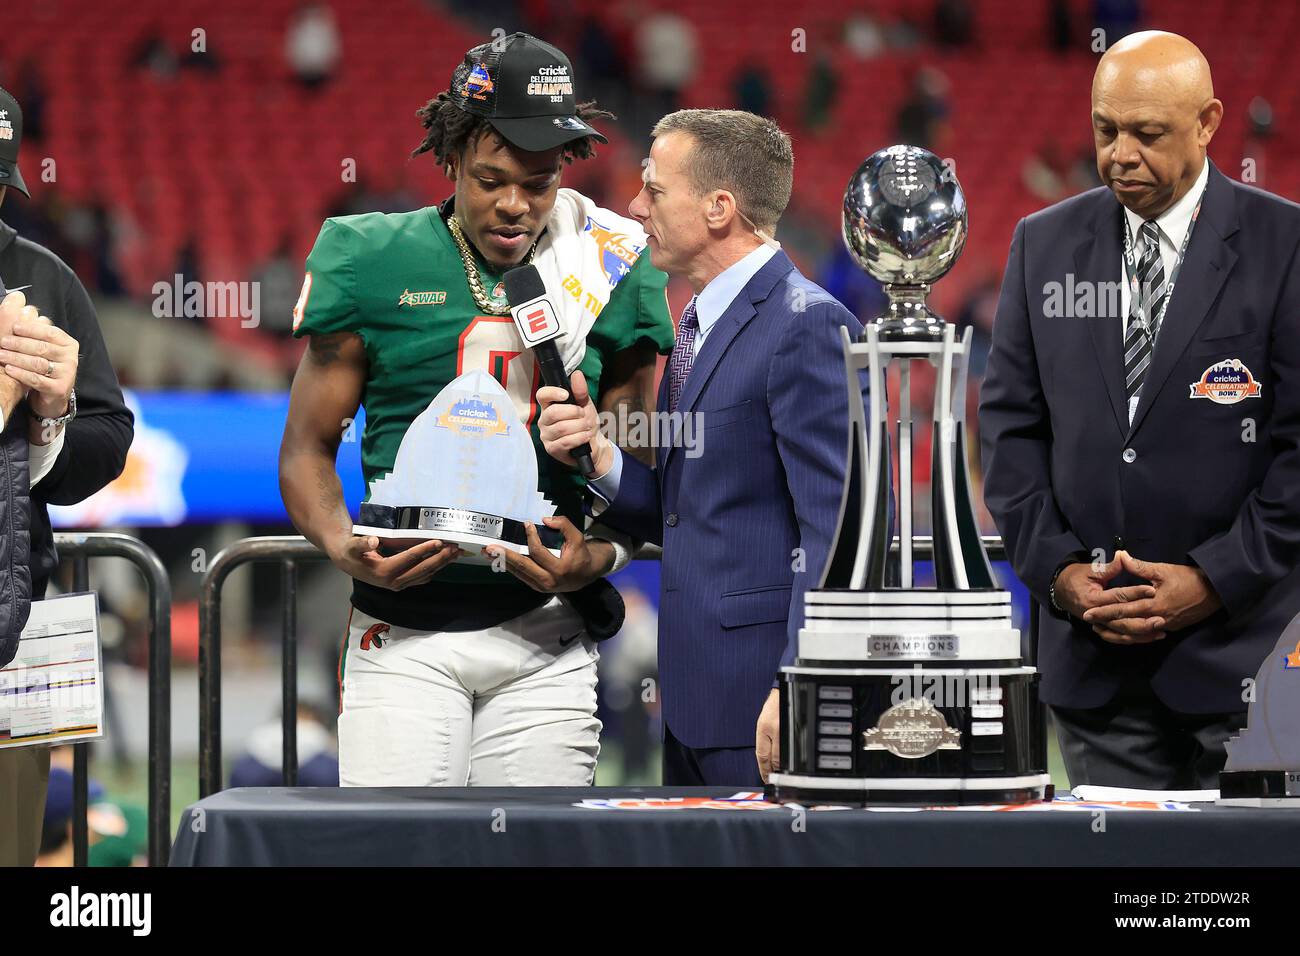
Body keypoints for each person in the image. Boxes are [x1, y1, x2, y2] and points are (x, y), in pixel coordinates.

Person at [279, 34, 674, 787]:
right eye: (493, 178)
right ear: (452, 154)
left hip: (546, 640)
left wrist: (599, 556)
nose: (516, 205)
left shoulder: (609, 264)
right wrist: (340, 544)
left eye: (539, 181)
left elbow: (637, 466)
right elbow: (305, 447)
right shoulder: (373, 258)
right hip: (403, 633)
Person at [979, 32, 1300, 789]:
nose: (1121, 153)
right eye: (1106, 129)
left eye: (1147, 134)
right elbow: (1011, 432)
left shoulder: (1285, 243)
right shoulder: (1042, 244)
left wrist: (1214, 579)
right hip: (1095, 670)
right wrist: (1059, 572)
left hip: (1251, 660)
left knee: (1231, 900)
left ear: (1209, 122)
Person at [537, 109, 878, 786]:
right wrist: (600, 454)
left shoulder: (808, 326)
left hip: (769, 706)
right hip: (696, 704)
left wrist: (801, 681)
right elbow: (685, 510)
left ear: (719, 207)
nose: (635, 207)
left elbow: (843, 533)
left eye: (655, 191)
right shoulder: (697, 323)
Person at [0, 85, 134, 866]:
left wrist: (51, 417)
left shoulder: (42, 277)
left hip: (15, 625)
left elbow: (109, 435)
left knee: (15, 845)